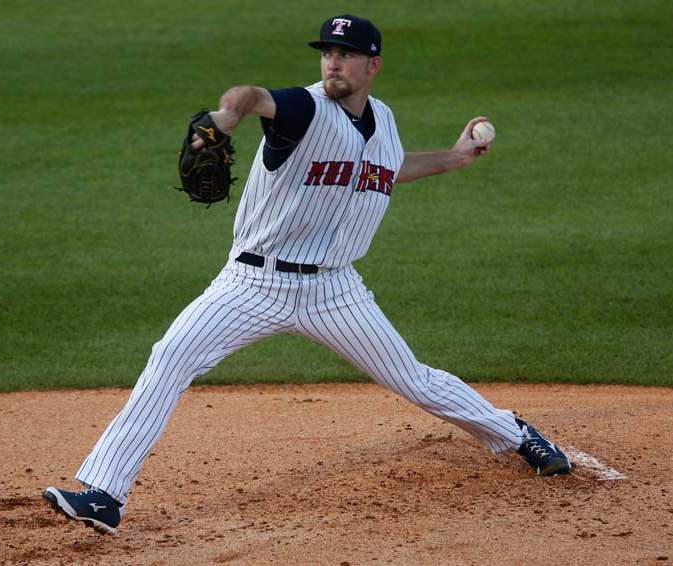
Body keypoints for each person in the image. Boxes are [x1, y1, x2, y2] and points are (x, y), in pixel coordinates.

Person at [43, 14, 571, 534]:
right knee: (170, 358)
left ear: (373, 65)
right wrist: (223, 121)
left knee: (415, 380)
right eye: (327, 53)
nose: (333, 63)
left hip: (334, 290)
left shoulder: (381, 118)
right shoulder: (301, 108)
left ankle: (517, 435)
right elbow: (248, 94)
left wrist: (453, 159)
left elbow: (383, 169)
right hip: (253, 285)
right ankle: (104, 494)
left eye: (345, 55)